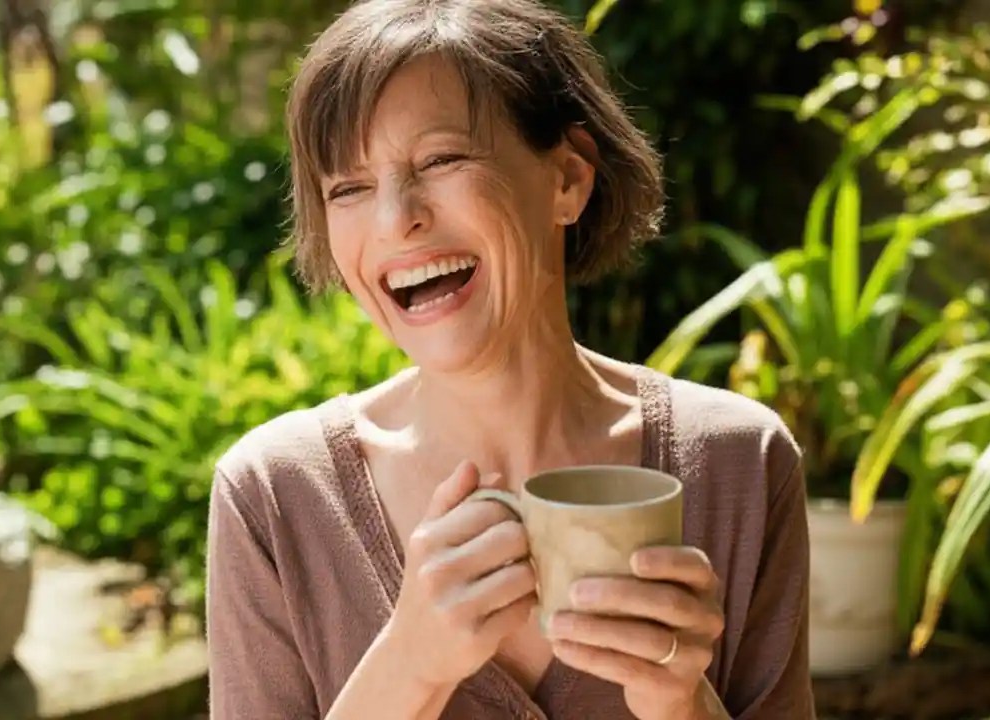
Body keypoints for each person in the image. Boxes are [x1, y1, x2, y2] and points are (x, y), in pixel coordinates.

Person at [204, 0, 815, 718]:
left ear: (568, 179)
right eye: (349, 188)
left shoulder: (739, 464)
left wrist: (682, 702)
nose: (396, 218)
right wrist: (409, 666)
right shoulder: (275, 496)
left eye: (440, 160)